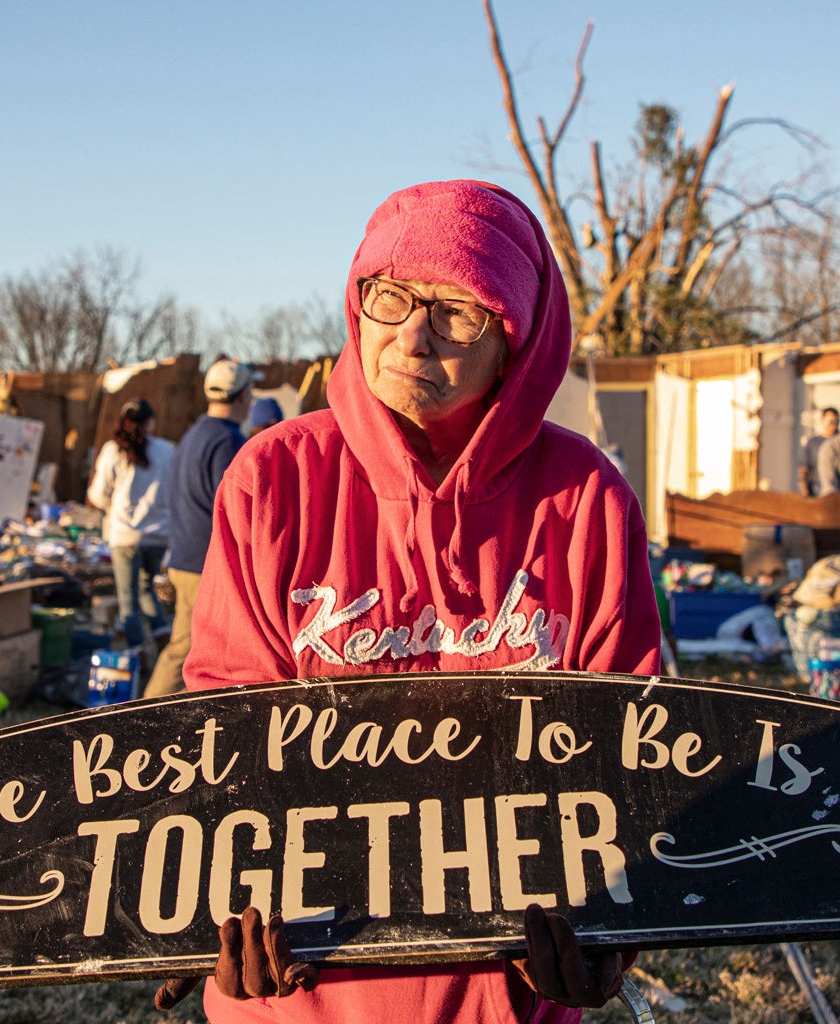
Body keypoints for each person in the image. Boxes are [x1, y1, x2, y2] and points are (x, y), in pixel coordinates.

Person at [154, 180, 662, 1023]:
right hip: (305, 994)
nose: (412, 335)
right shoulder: (274, 481)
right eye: (389, 296)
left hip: (507, 1000)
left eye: (458, 310)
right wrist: (218, 914)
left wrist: (612, 933)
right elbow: (230, 730)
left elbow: (630, 757)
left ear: (519, 341)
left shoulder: (585, 501)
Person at [145, 358, 254, 698]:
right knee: (185, 649)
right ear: (241, 396)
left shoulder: (194, 435)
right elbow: (238, 509)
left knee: (198, 646)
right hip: (203, 564)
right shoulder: (227, 442)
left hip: (184, 557)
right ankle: (148, 718)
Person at [86, 399, 175, 664]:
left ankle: (137, 659)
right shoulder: (167, 450)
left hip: (125, 535)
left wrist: (112, 506)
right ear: (150, 421)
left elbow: (99, 494)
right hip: (158, 534)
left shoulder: (114, 450)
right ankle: (164, 651)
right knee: (147, 591)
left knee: (128, 601)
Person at [798, 406, 840, 497]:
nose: (834, 426)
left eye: (836, 422)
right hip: (816, 491)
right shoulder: (812, 443)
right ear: (823, 420)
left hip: (838, 493)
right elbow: (804, 469)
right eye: (831, 422)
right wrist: (804, 490)